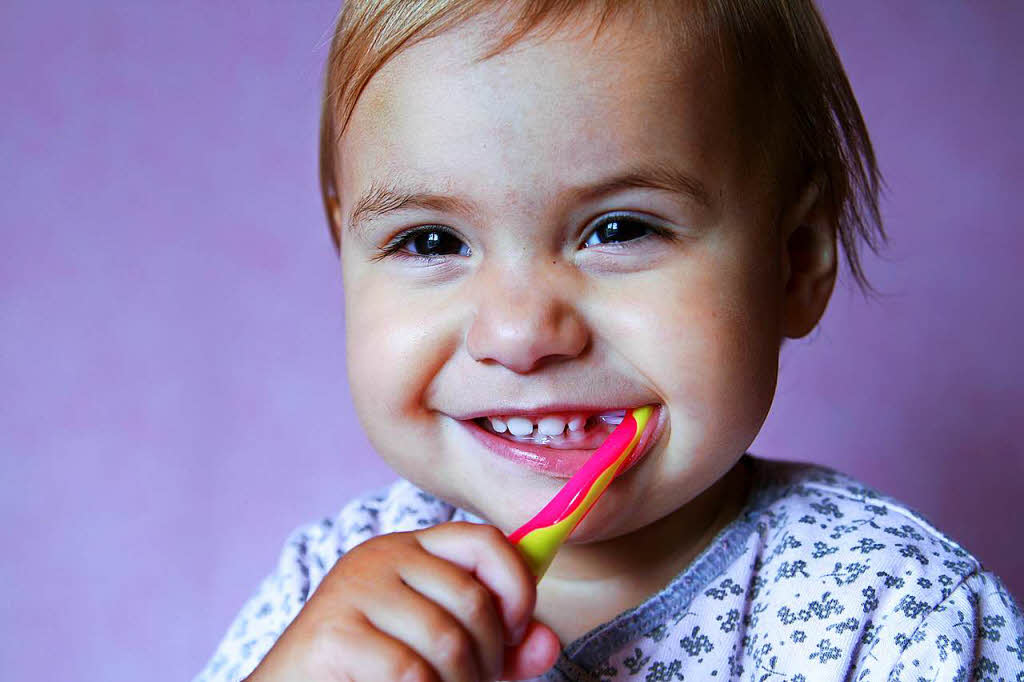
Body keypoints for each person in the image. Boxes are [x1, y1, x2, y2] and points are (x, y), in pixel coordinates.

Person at [195, 1, 1023, 680]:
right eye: (431, 241)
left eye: (619, 228)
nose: (520, 336)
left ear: (793, 263)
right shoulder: (327, 591)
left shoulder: (894, 612)